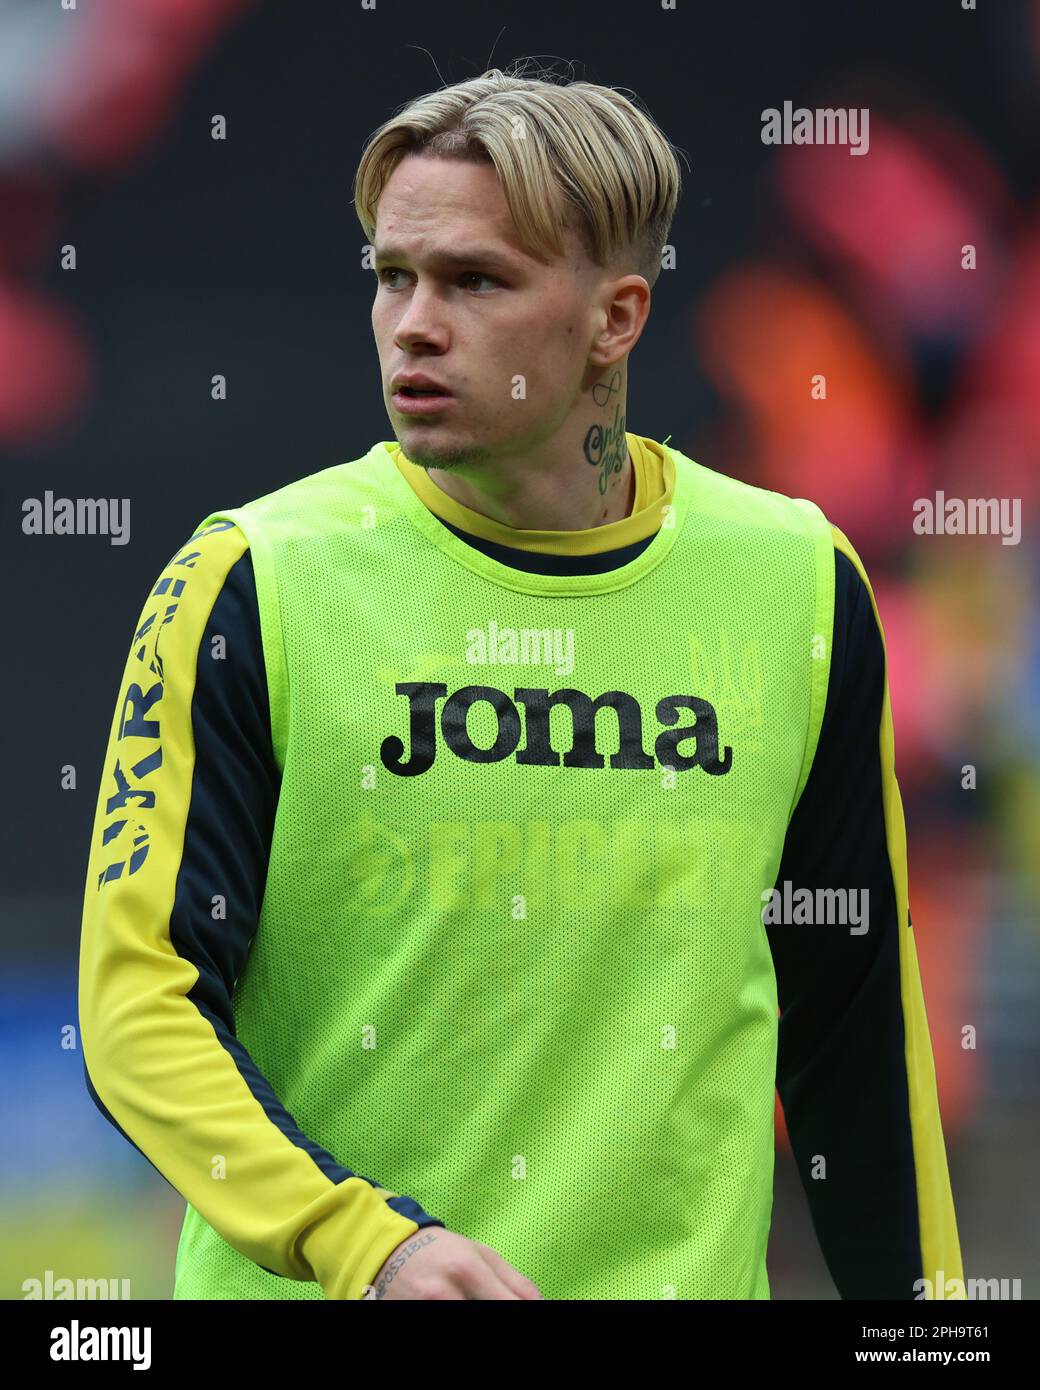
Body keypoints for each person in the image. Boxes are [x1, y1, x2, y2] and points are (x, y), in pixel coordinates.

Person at [78, 63, 963, 1300]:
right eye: (392, 276)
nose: (413, 324)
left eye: (475, 280)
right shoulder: (249, 579)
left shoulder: (798, 584)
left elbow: (854, 1037)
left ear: (617, 317)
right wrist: (367, 1243)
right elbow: (138, 1011)